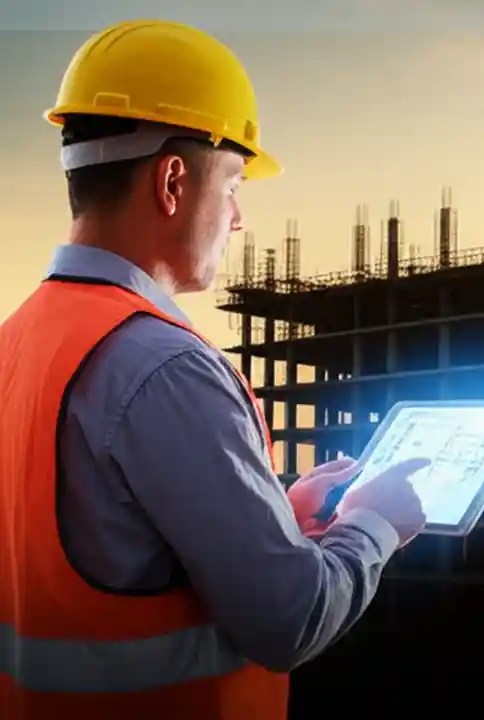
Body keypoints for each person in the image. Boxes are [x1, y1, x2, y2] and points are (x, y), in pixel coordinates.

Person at [0, 18, 430, 719]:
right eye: (232, 184)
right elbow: (291, 620)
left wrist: (271, 517)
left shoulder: (18, 341)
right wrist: (373, 524)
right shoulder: (163, 365)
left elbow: (100, 546)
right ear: (173, 181)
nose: (237, 220)